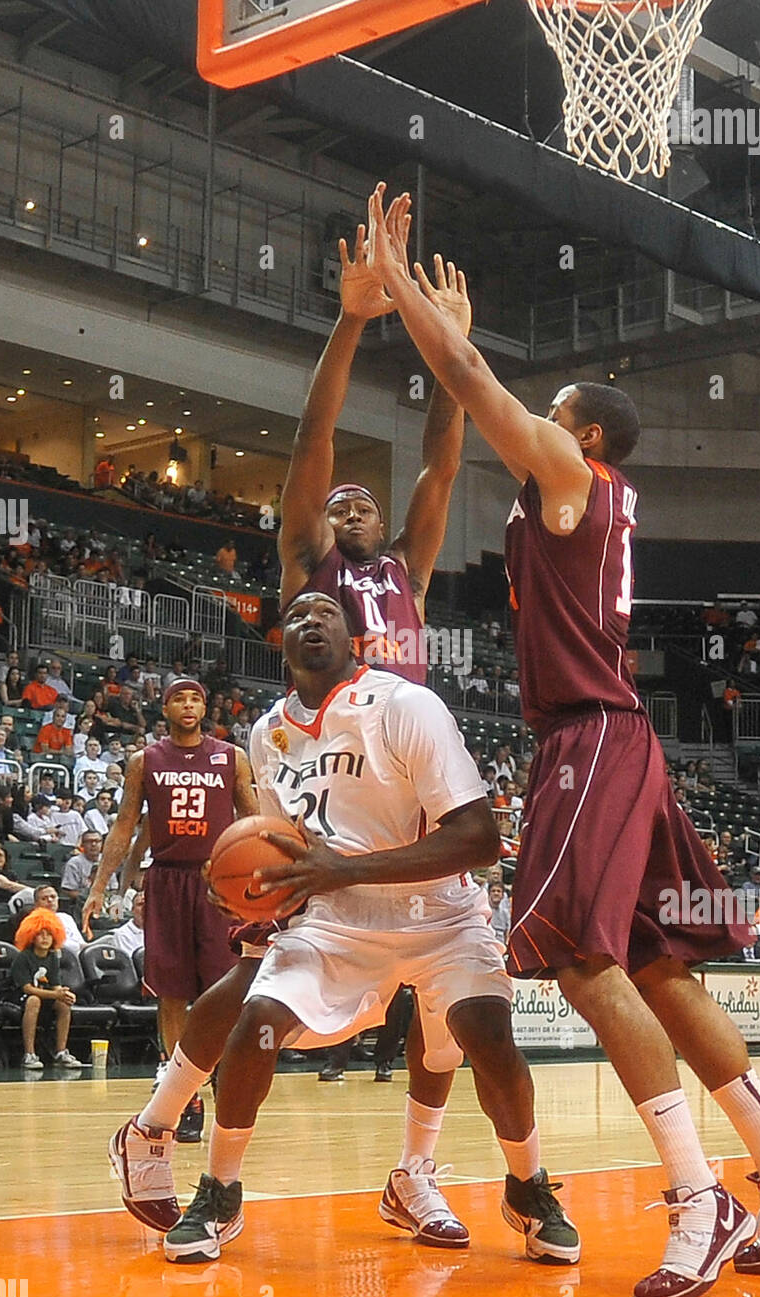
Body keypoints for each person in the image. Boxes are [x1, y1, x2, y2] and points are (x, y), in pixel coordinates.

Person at [366, 182, 760, 1297]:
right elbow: (474, 393)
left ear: (579, 434)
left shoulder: (574, 477)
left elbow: (476, 387)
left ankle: (698, 1196)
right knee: (655, 970)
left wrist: (397, 289)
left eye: (553, 406)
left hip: (590, 738)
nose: (531, 417)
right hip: (618, 741)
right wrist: (451, 346)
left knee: (580, 963)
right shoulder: (584, 497)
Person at [119, 594, 576, 1267]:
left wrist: (345, 869)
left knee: (489, 1035)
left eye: (326, 613)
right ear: (280, 642)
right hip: (336, 921)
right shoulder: (266, 734)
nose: (310, 620)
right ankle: (219, 1190)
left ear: (353, 638)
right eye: (297, 613)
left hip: (440, 917)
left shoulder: (405, 705)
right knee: (257, 1019)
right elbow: (284, 849)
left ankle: (527, 1186)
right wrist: (255, 895)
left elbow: (479, 840)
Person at [269, 204, 476, 1231]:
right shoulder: (312, 571)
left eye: (362, 500)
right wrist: (352, 322)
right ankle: (214, 1158)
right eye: (337, 500)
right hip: (335, 788)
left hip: (417, 784)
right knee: (287, 999)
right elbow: (312, 442)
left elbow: (442, 459)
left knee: (445, 1017)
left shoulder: (405, 568)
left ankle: (416, 1170)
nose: (350, 505)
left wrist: (453, 350)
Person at [83, 679, 258, 1144]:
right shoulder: (146, 761)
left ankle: (218, 1071)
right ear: (164, 708)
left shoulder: (230, 757)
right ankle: (187, 1092)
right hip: (167, 879)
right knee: (172, 991)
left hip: (217, 882)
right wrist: (99, 887)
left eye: (195, 698)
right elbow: (123, 828)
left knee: (224, 990)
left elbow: (257, 821)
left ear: (204, 707)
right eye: (179, 698)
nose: (187, 704)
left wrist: (269, 879)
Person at [11, 909, 82, 1070]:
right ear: (31, 935)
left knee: (64, 1003)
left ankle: (61, 1052)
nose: (45, 938)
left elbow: (55, 984)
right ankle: (29, 1054)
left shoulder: (53, 957)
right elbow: (27, 988)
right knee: (34, 1000)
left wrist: (65, 994)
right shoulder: (23, 957)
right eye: (40, 934)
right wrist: (55, 993)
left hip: (44, 995)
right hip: (18, 997)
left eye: (49, 934)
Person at [61, 831, 115, 903]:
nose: (93, 844)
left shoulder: (107, 861)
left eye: (97, 841)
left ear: (102, 844)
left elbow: (114, 888)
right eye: (89, 841)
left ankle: (121, 914)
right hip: (83, 901)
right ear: (82, 844)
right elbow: (68, 890)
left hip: (106, 899)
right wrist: (88, 898)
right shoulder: (74, 863)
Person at [97, 889, 145, 958]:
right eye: (140, 904)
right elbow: (131, 964)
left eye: (148, 904)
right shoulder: (122, 935)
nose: (144, 908)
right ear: (132, 909)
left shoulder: (161, 931)